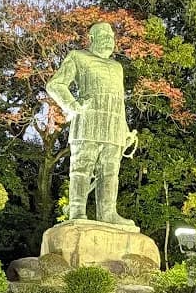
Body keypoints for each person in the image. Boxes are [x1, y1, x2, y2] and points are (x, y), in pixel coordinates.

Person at [46, 22, 136, 226]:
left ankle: (108, 213)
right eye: (103, 34)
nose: (108, 38)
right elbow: (55, 85)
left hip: (113, 127)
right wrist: (73, 106)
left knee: (111, 172)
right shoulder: (79, 57)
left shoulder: (117, 67)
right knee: (81, 169)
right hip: (87, 123)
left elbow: (119, 101)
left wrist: (125, 130)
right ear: (91, 38)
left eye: (111, 35)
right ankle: (77, 211)